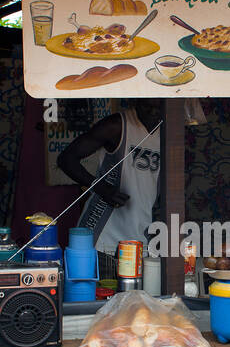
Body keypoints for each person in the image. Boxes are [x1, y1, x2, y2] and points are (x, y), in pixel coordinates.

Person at [58, 106, 160, 275]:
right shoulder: (118, 125)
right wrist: (102, 188)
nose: (154, 103)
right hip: (103, 240)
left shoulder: (169, 132)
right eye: (150, 98)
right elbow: (66, 159)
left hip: (141, 241)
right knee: (96, 299)